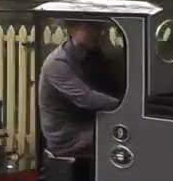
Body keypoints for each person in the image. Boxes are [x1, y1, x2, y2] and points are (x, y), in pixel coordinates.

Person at [38, 20, 120, 158]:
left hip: (85, 123)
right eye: (89, 27)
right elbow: (86, 98)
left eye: (98, 27)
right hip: (65, 135)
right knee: (122, 135)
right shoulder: (57, 63)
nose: (97, 32)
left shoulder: (87, 55)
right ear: (72, 29)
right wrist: (123, 104)